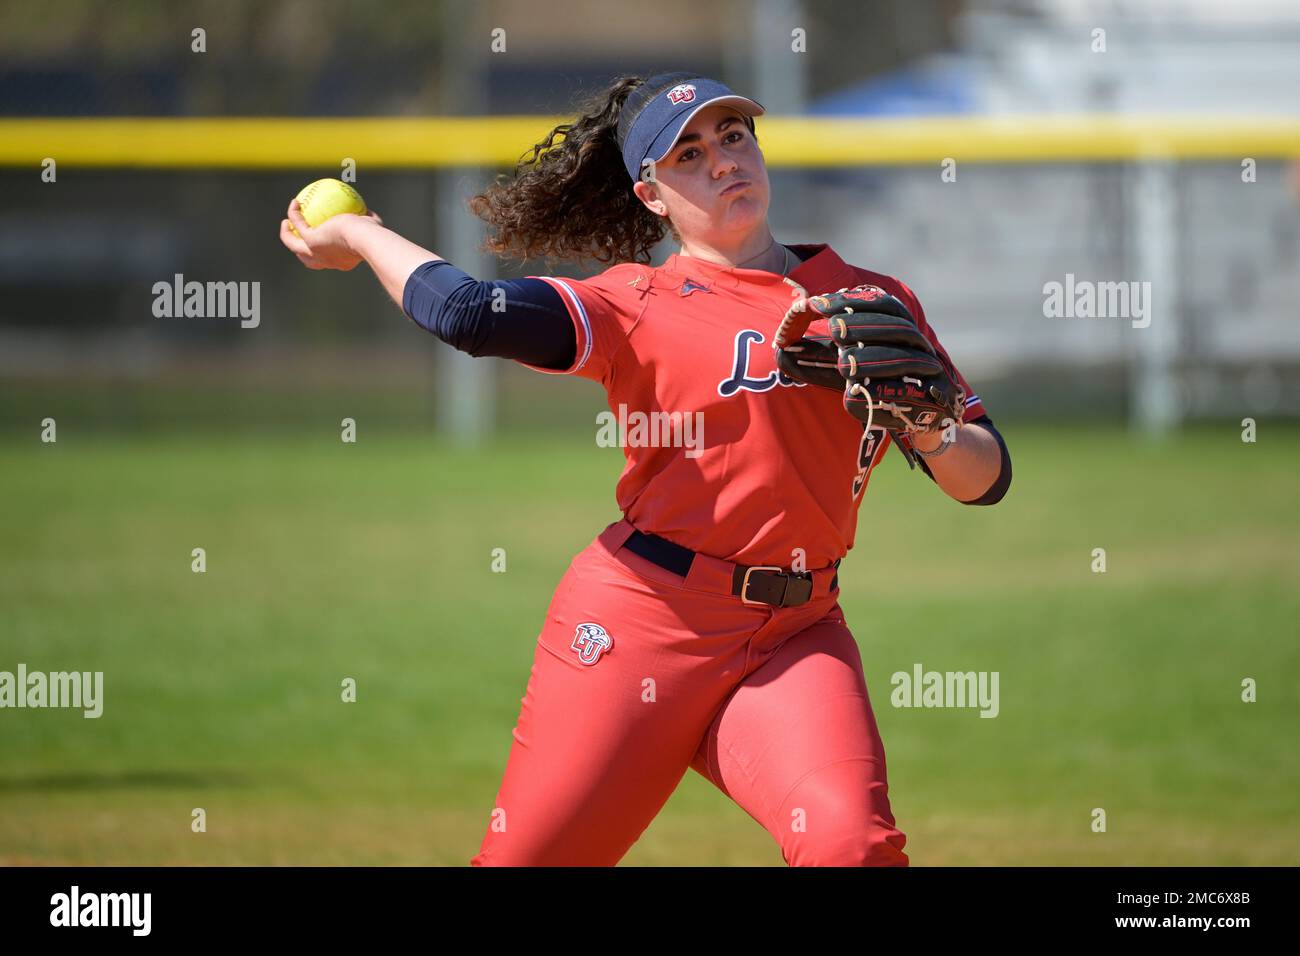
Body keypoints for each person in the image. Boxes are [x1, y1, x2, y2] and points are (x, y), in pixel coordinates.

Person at [278, 72, 1011, 867]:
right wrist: (358, 236)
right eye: (688, 153)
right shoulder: (634, 305)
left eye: (734, 137)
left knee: (851, 847)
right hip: (643, 624)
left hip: (797, 635)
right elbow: (467, 313)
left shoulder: (868, 300)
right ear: (652, 195)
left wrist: (931, 431)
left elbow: (987, 477)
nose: (724, 161)